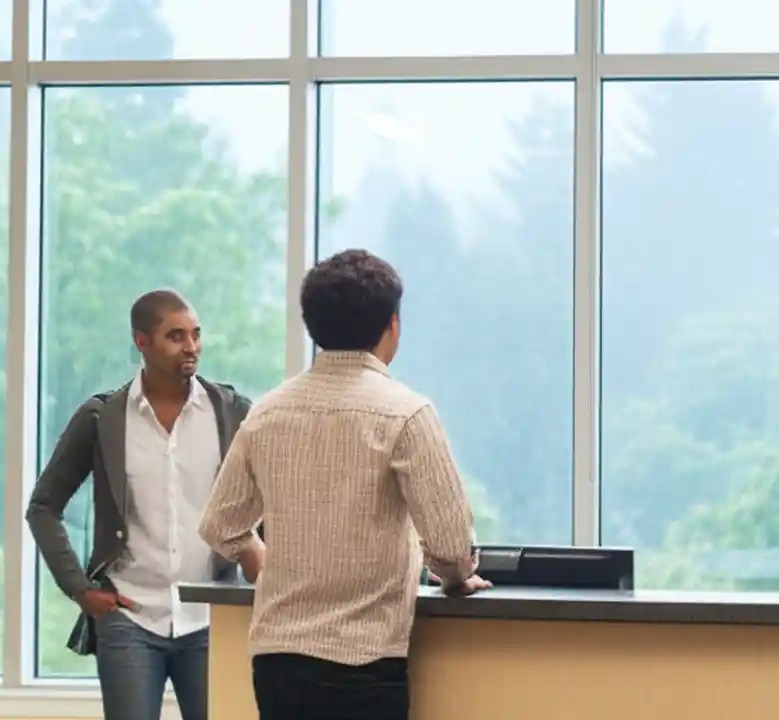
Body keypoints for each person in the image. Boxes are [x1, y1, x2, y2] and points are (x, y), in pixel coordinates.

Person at [198, 248, 489, 720]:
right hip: (366, 660)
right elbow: (451, 545)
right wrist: (456, 579)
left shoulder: (268, 412)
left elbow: (220, 524)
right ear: (392, 325)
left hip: (277, 661)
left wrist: (262, 559)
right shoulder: (406, 413)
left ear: (313, 325)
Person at [27, 289, 253, 720]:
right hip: (129, 618)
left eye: (196, 334)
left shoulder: (231, 413)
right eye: (175, 336)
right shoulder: (102, 418)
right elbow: (43, 507)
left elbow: (265, 506)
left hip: (211, 619)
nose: (191, 347)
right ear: (142, 342)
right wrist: (79, 588)